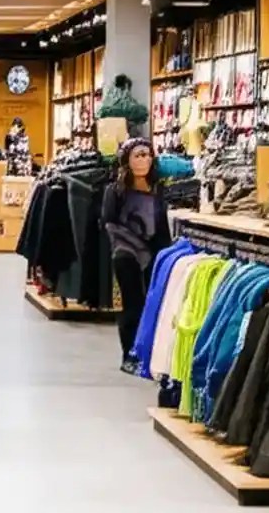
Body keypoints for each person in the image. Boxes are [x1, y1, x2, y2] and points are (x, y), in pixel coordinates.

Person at [102, 137, 171, 375]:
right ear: (127, 160)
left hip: (154, 252)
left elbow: (161, 226)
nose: (144, 160)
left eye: (147, 155)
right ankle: (128, 354)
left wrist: (164, 253)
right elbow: (110, 224)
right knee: (132, 305)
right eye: (138, 155)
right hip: (126, 253)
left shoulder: (159, 190)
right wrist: (133, 246)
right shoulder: (115, 191)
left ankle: (147, 353)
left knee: (153, 303)